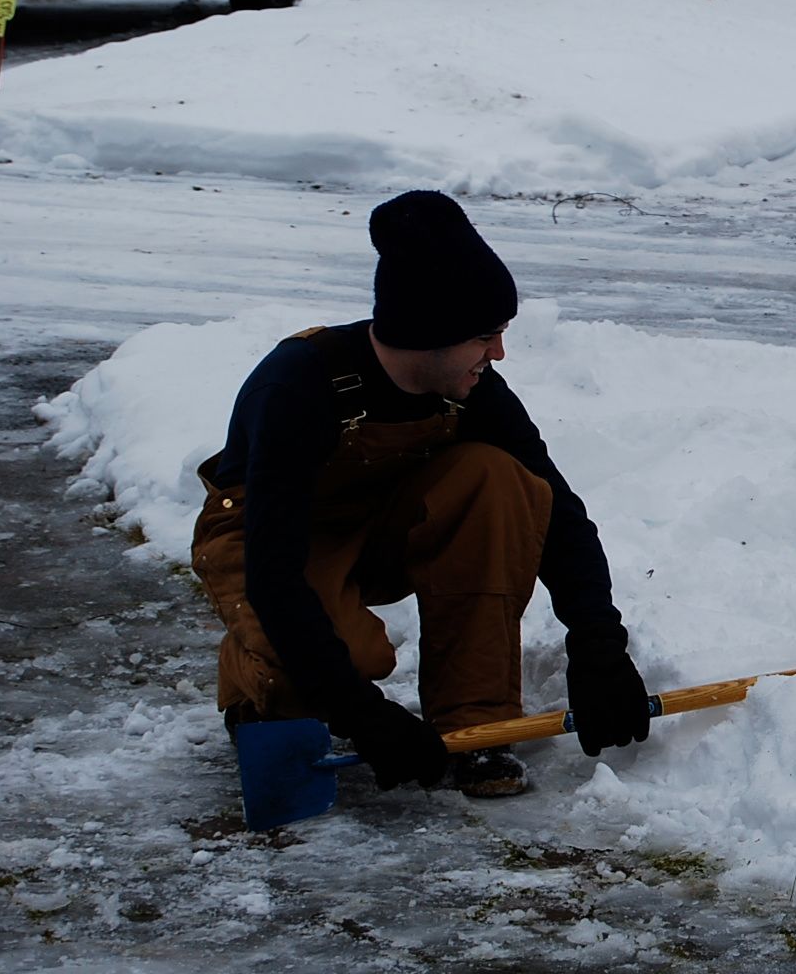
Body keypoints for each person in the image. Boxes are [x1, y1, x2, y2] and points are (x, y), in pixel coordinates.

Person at [191, 190, 653, 798]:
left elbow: (560, 515)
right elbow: (275, 573)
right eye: (485, 336)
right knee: (340, 662)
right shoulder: (298, 384)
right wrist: (361, 715)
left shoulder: (477, 390)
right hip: (271, 542)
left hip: (383, 527)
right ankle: (256, 682)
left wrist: (599, 645)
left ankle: (476, 726)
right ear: (430, 333)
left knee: (501, 477)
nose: (499, 352)